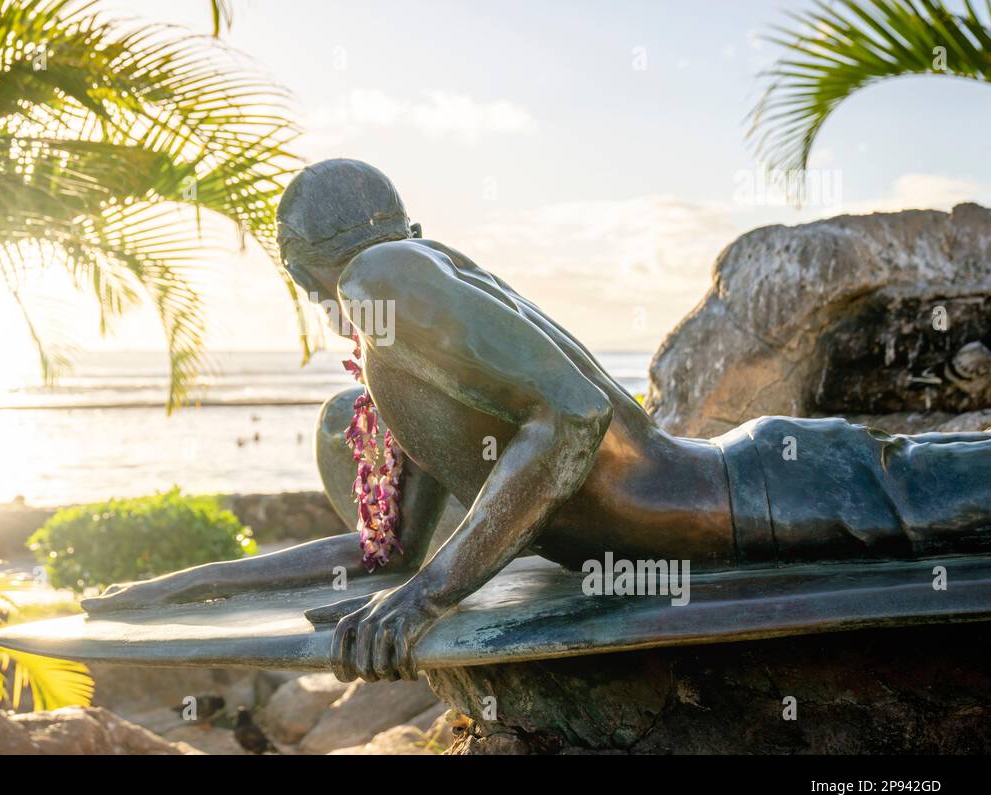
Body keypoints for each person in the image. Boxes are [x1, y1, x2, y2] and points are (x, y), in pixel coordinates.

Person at [84, 159, 991, 682]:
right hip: (751, 490)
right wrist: (184, 585)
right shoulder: (404, 348)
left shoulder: (383, 278)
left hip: (764, 492)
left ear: (299, 268)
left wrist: (432, 596)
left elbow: (573, 415)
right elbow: (387, 555)